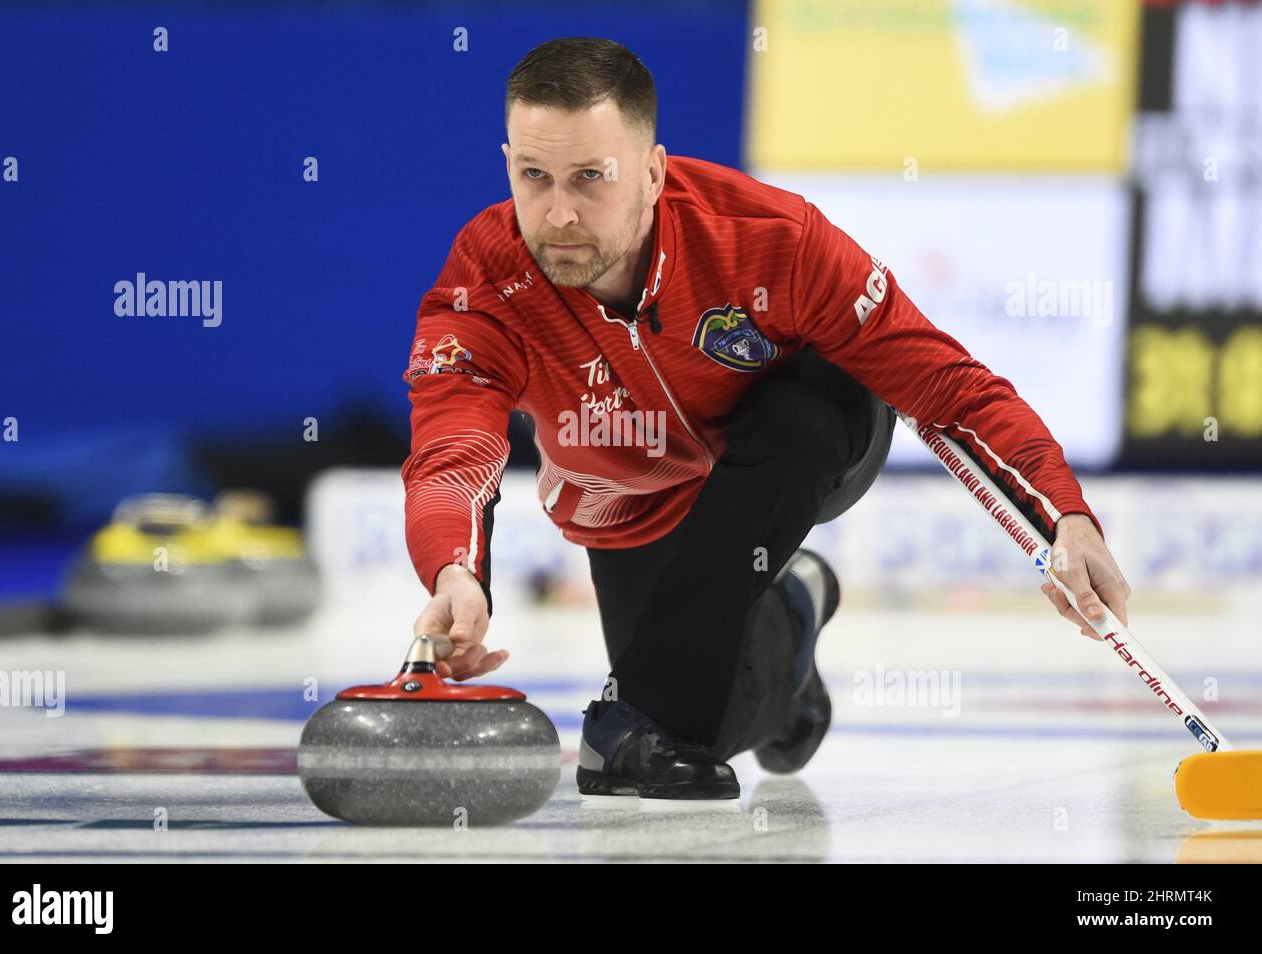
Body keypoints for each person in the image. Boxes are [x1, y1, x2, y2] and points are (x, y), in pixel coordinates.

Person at [403, 37, 1131, 799]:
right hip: (632, 486)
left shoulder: (769, 238)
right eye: (534, 177)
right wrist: (457, 570)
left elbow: (951, 388)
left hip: (795, 441)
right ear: (508, 165)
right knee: (698, 726)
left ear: (652, 174)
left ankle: (649, 706)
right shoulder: (485, 278)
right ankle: (794, 609)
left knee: (798, 427)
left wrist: (1065, 517)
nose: (559, 213)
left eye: (592, 178)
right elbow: (453, 448)